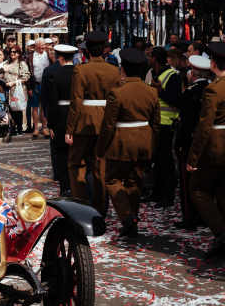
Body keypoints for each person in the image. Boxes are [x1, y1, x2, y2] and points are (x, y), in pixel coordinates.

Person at [186, 41, 225, 259]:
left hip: (215, 147)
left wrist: (193, 157)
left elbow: (205, 126)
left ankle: (222, 233)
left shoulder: (213, 89)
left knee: (197, 190)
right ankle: (223, 238)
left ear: (213, 63)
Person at [96, 48, 159, 238]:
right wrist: (152, 145)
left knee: (112, 180)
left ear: (123, 69)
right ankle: (132, 220)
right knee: (134, 181)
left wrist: (101, 148)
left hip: (121, 144)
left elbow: (108, 125)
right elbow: (156, 124)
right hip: (144, 142)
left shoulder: (117, 93)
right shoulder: (152, 91)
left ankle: (127, 217)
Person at [65, 31, 122, 216]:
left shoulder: (80, 69)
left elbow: (76, 101)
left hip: (84, 122)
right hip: (105, 122)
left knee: (76, 164)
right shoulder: (114, 70)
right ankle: (101, 207)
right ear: (104, 50)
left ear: (87, 50)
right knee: (101, 167)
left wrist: (69, 128)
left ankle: (80, 205)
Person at [175, 53, 211, 230]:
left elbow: (186, 123)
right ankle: (203, 216)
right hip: (206, 142)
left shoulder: (191, 93)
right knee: (203, 182)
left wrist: (180, 144)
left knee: (188, 182)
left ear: (194, 74)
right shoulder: (210, 89)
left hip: (190, 143)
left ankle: (190, 217)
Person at [41, 43, 78, 195]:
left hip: (61, 117)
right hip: (78, 115)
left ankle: (65, 187)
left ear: (60, 58)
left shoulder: (52, 73)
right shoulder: (79, 71)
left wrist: (50, 124)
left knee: (61, 154)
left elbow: (50, 100)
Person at [148, 46, 182, 207]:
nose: (148, 59)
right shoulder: (154, 74)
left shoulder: (172, 75)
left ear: (155, 58)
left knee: (165, 162)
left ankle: (167, 196)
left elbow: (176, 100)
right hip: (154, 124)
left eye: (150, 56)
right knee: (156, 161)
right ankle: (156, 192)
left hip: (166, 124)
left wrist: (160, 91)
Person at [2, 45, 31, 141]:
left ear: (19, 53)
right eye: (11, 51)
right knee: (10, 108)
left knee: (18, 108)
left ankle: (19, 128)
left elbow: (26, 77)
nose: (12, 53)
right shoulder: (6, 63)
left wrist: (14, 83)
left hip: (17, 89)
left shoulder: (21, 64)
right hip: (7, 90)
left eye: (14, 52)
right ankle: (12, 127)